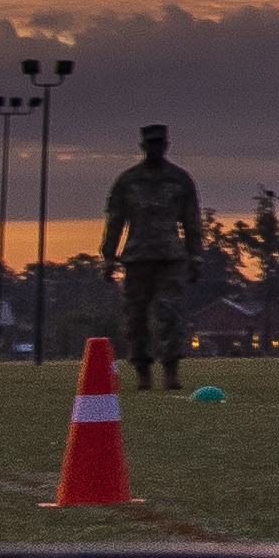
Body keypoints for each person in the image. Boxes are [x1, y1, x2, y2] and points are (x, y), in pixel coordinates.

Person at [96, 125, 205, 390]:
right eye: (151, 143)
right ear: (143, 146)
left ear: (166, 145)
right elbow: (115, 220)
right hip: (137, 258)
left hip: (170, 257)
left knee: (170, 313)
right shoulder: (128, 181)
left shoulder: (179, 179)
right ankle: (142, 372)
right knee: (136, 316)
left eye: (160, 143)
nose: (156, 148)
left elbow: (191, 221)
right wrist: (109, 256)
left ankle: (171, 370)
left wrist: (196, 256)